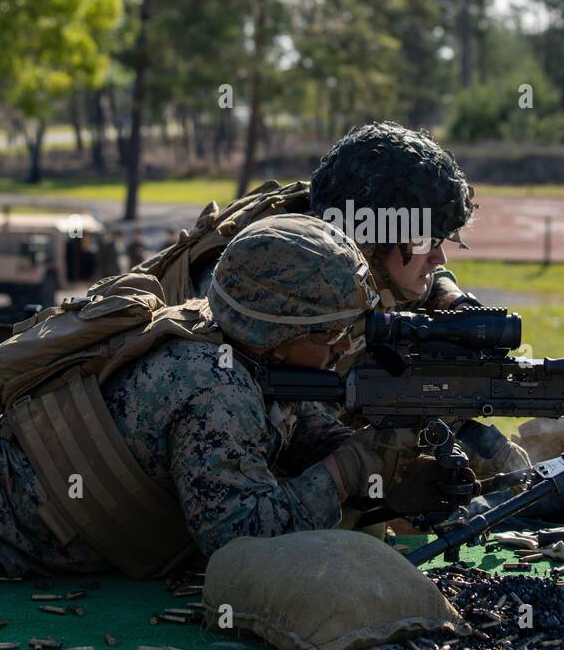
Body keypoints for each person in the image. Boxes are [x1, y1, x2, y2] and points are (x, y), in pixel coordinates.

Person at [0, 216, 457, 584]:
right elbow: (243, 537)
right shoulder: (215, 388)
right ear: (279, 329)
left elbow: (302, 434)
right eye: (328, 334)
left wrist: (374, 460)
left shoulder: (233, 346)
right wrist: (348, 470)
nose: (338, 349)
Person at [135, 122, 530, 478]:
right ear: (370, 239)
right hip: (225, 476)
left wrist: (451, 303)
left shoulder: (353, 236)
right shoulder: (262, 284)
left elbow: (421, 276)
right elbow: (282, 431)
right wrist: (375, 461)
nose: (439, 257)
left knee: (502, 467)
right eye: (425, 241)